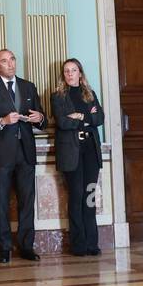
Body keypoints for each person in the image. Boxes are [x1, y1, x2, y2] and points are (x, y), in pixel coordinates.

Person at [0, 49, 45, 263]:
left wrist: (39, 117)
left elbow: (42, 121)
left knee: (27, 201)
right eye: (4, 61)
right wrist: (2, 122)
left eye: (12, 59)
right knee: (2, 203)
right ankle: (3, 248)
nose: (10, 64)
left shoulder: (28, 86)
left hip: (26, 153)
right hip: (0, 154)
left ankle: (26, 246)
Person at [51, 59, 105, 257]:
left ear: (80, 73)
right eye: (67, 71)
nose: (70, 74)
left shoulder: (90, 95)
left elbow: (99, 119)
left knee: (89, 197)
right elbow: (63, 122)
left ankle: (92, 243)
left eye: (74, 70)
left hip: (90, 150)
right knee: (76, 196)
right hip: (71, 152)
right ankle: (78, 245)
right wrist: (86, 118)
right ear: (63, 75)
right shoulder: (57, 97)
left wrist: (80, 117)